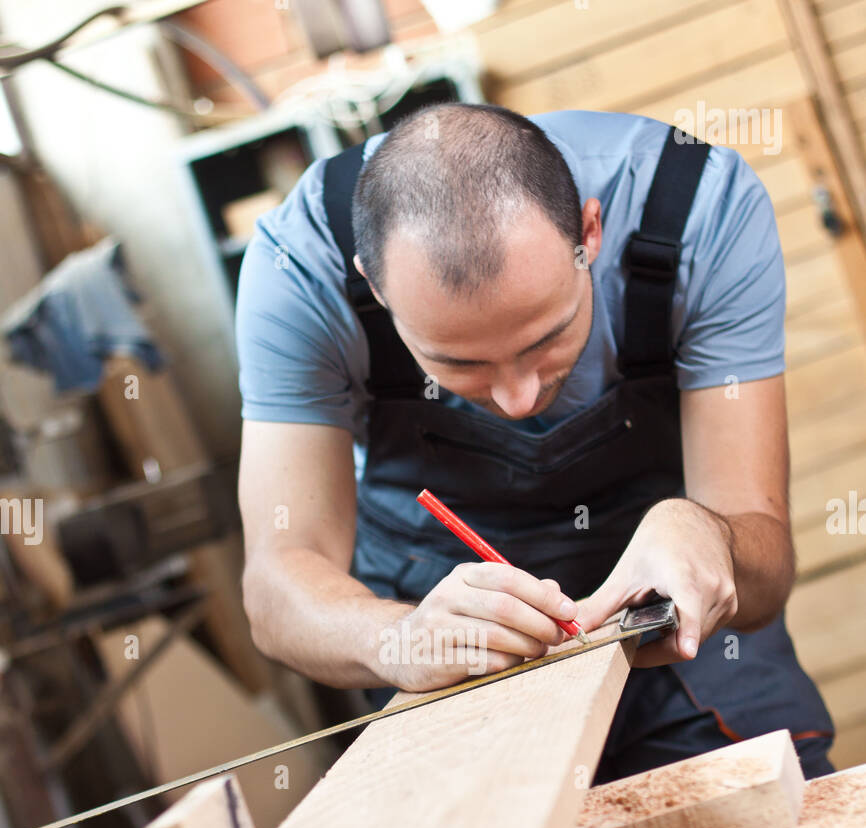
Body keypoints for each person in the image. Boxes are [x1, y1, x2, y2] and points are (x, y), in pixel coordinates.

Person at [236, 103, 833, 780]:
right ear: (373, 286)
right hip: (456, 663)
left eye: (548, 338)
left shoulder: (697, 207)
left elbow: (765, 557)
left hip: (686, 644)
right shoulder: (297, 268)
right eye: (460, 363)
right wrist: (397, 639)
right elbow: (277, 582)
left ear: (590, 230)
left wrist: (712, 534)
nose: (516, 398)